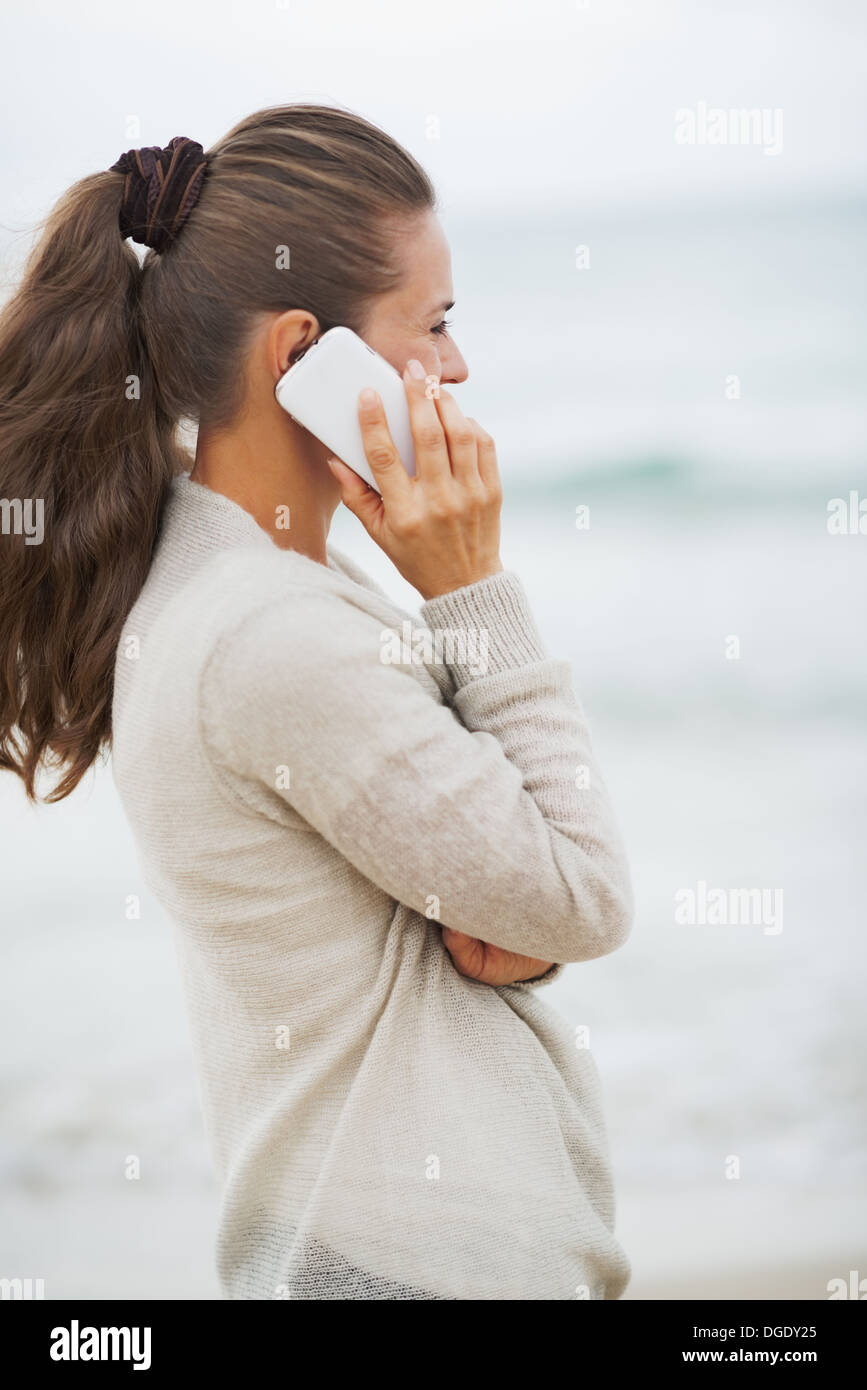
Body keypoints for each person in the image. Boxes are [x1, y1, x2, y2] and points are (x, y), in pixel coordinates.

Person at [0, 104, 634, 1299]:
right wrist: (476, 591)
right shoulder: (268, 634)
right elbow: (585, 892)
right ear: (302, 357)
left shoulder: (239, 575)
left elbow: (508, 892)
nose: (456, 367)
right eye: (435, 326)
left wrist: (523, 922)